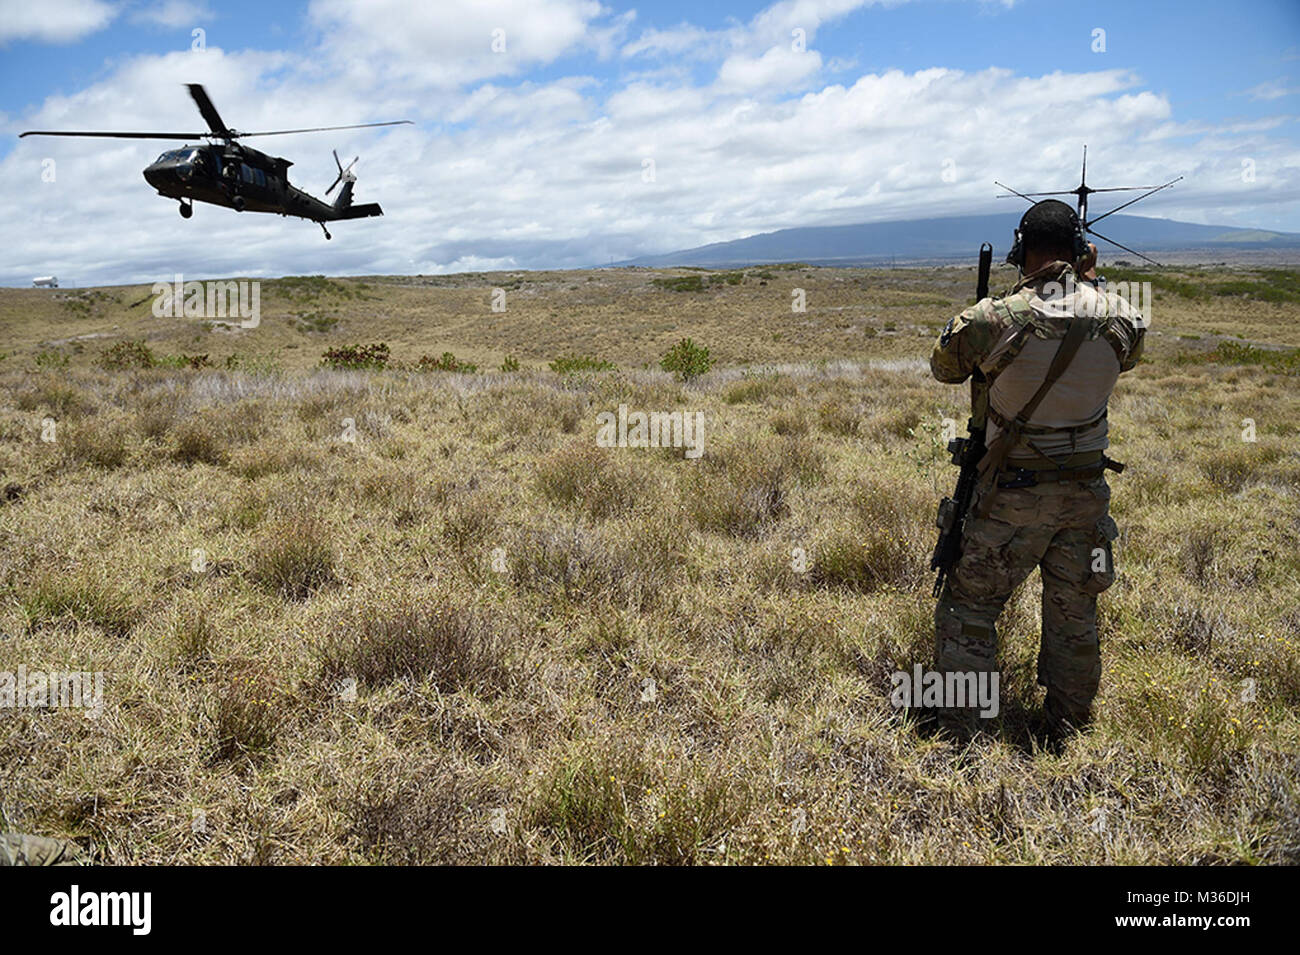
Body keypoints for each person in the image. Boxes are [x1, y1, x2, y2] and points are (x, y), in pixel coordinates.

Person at [929, 199, 1146, 743]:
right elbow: (1128, 352)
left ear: (1021, 250)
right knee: (1075, 611)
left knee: (970, 608)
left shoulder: (992, 319)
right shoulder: (1121, 315)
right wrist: (1090, 280)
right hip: (1085, 497)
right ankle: (1069, 726)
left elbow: (944, 369)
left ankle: (965, 729)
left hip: (1010, 497)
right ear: (1078, 250)